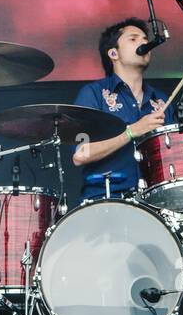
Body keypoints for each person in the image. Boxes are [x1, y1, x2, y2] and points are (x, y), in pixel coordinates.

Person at [71, 18, 171, 202]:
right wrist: (132, 131)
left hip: (156, 205)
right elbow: (80, 155)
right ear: (113, 53)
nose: (144, 42)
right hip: (105, 201)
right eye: (133, 39)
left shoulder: (162, 100)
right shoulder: (94, 94)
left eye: (144, 38)